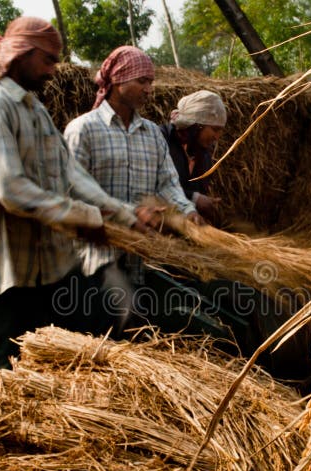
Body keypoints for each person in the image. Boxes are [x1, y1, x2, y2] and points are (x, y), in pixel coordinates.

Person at [0, 17, 141, 371]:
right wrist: (84, 217)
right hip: (2, 261)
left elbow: (71, 173)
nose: (53, 70)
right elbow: (11, 189)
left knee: (54, 360)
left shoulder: (35, 110)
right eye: (47, 60)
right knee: (6, 367)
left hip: (46, 263)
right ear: (20, 54)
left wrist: (125, 215)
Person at [63, 46, 204, 334]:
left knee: (145, 328)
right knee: (120, 324)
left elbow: (167, 183)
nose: (149, 89)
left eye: (151, 82)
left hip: (143, 257)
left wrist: (188, 211)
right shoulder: (83, 130)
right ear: (118, 80)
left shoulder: (152, 133)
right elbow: (72, 192)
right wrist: (129, 213)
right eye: (142, 81)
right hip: (98, 256)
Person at [160, 90, 227, 223]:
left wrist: (206, 203)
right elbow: (155, 186)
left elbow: (198, 191)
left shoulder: (203, 155)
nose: (217, 137)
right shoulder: (160, 140)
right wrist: (195, 198)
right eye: (215, 129)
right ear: (196, 125)